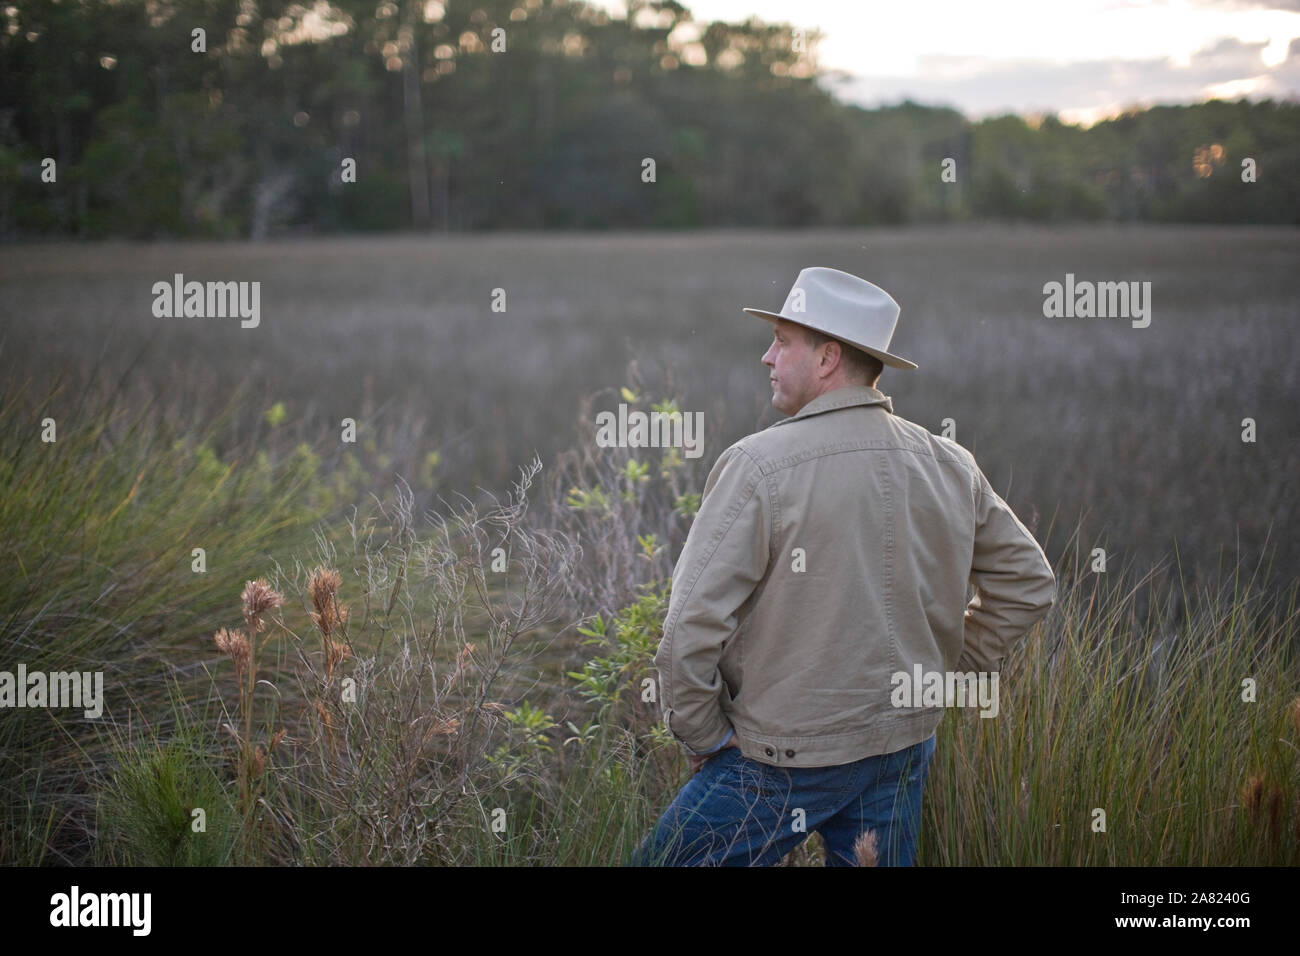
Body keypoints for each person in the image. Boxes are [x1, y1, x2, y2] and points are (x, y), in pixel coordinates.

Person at [629, 267, 1057, 866]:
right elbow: (1029, 586)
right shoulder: (950, 464)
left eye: (782, 340)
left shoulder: (758, 465)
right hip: (903, 746)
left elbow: (686, 630)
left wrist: (705, 734)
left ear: (828, 358)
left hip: (776, 760)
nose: (766, 356)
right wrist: (939, 674)